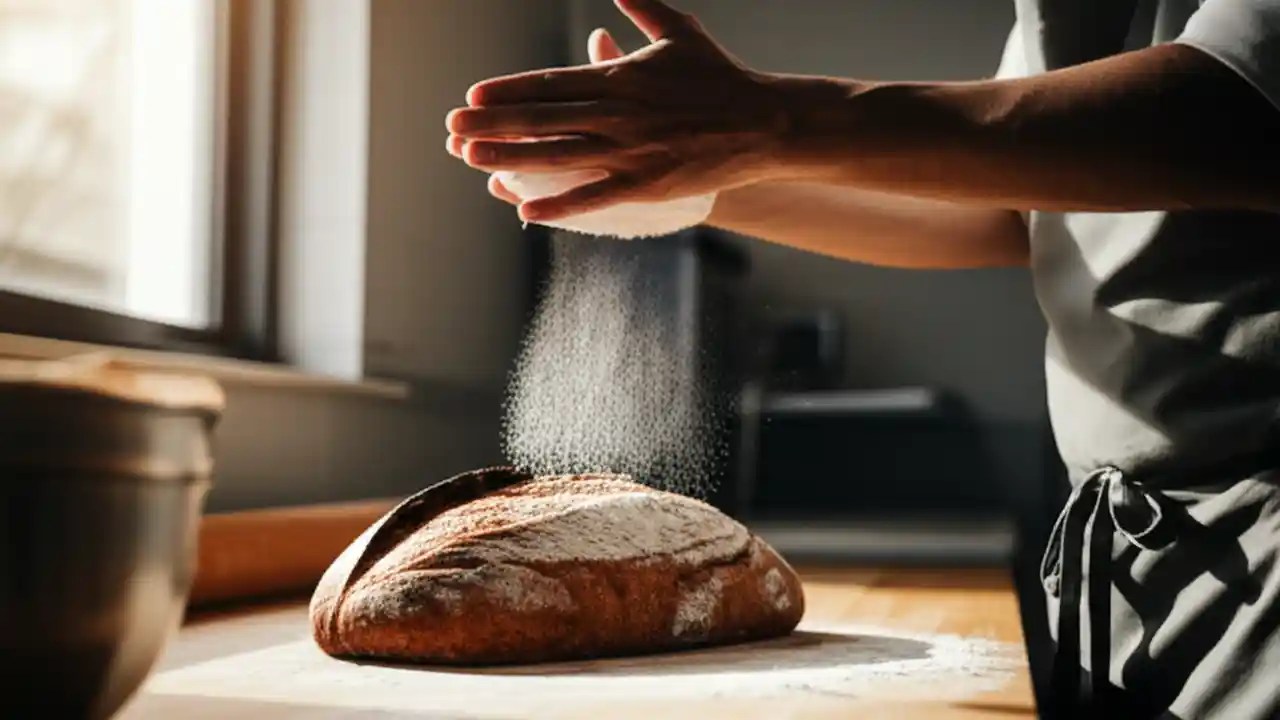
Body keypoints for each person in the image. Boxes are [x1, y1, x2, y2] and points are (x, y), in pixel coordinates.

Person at [445, 0, 1280, 716]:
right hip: (1132, 556)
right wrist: (704, 185)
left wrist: (768, 124)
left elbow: (1235, 120)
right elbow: (1015, 204)